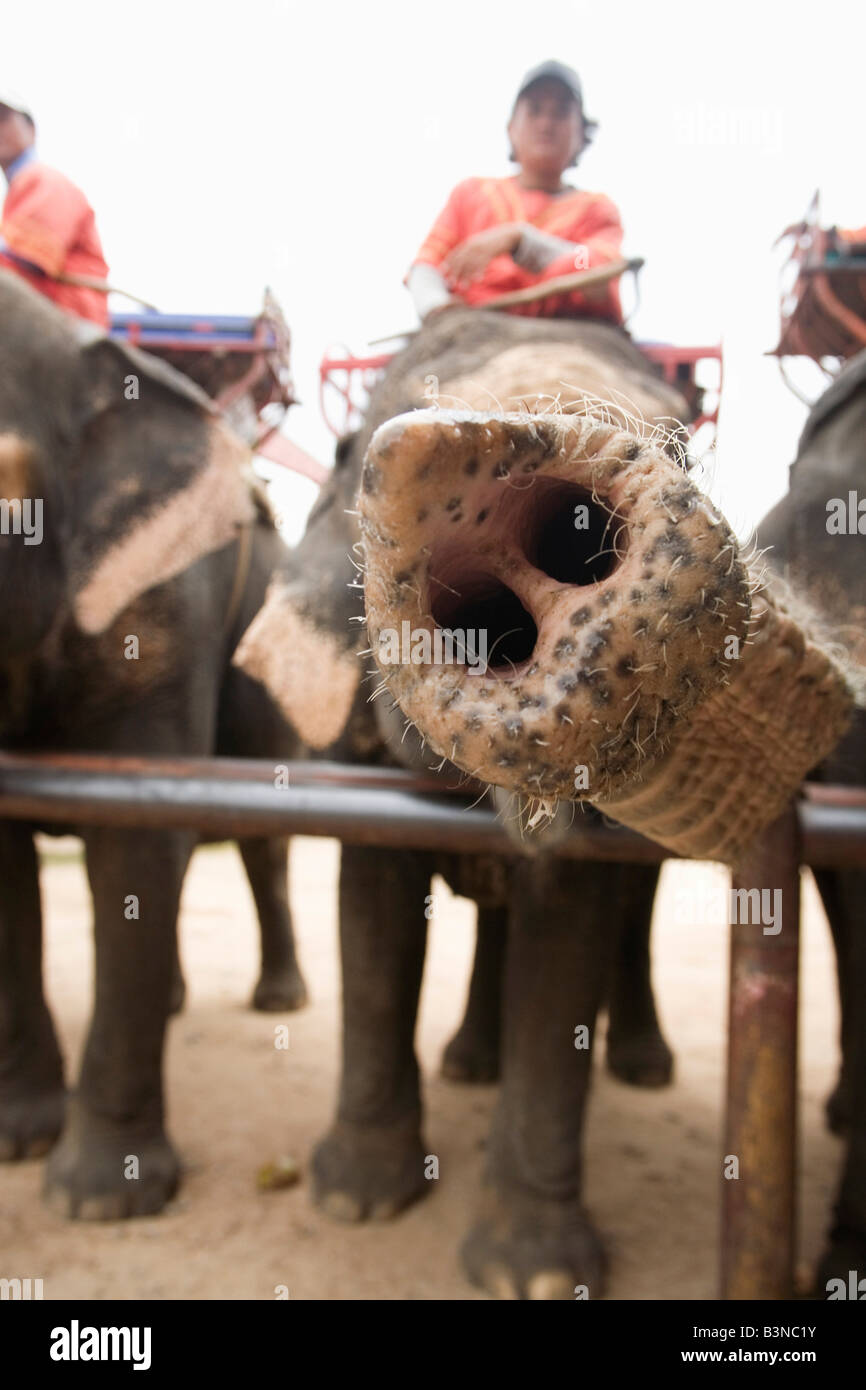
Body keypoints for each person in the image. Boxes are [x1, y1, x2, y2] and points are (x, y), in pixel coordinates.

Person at [407, 61, 624, 325]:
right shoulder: (472, 193)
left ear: (582, 134)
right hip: (471, 329)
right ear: (511, 128)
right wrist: (436, 307)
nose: (546, 124)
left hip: (569, 329)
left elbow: (590, 267)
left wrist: (523, 242)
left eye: (560, 113)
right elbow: (427, 263)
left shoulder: (595, 209)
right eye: (534, 111)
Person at [0, 89, 109, 325]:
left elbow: (28, 260)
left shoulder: (42, 179)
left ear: (31, 129)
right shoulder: (20, 186)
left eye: (3, 118)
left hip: (70, 323)